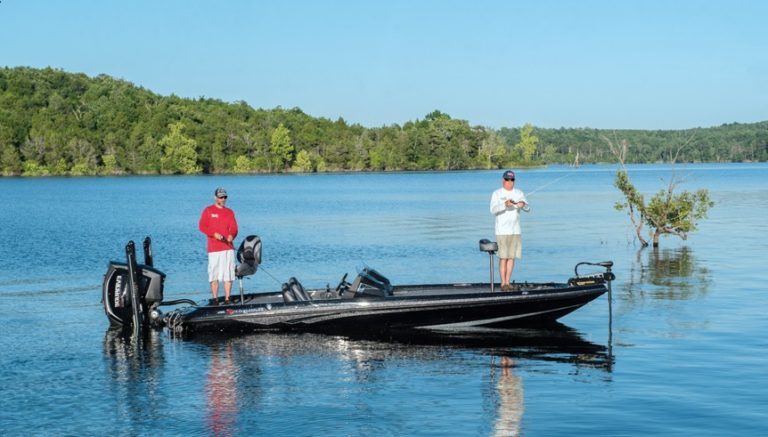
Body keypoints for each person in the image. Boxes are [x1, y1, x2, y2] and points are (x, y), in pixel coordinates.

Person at [199, 187, 239, 305]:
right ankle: (215, 299)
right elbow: (202, 226)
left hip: (228, 248)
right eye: (221, 197)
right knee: (214, 274)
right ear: (215, 197)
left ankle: (227, 299)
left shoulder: (230, 212)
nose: (223, 199)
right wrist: (213, 234)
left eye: (225, 197)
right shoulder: (208, 210)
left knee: (229, 274)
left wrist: (232, 235)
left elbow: (235, 228)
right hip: (214, 249)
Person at [489, 170, 528, 290]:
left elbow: (528, 208)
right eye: (507, 179)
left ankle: (508, 282)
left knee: (512, 257)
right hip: (502, 231)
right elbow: (493, 210)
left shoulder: (519, 193)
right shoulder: (497, 193)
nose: (509, 182)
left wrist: (523, 204)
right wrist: (504, 205)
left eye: (512, 180)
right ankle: (502, 283)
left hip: (515, 231)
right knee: (503, 257)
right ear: (503, 180)